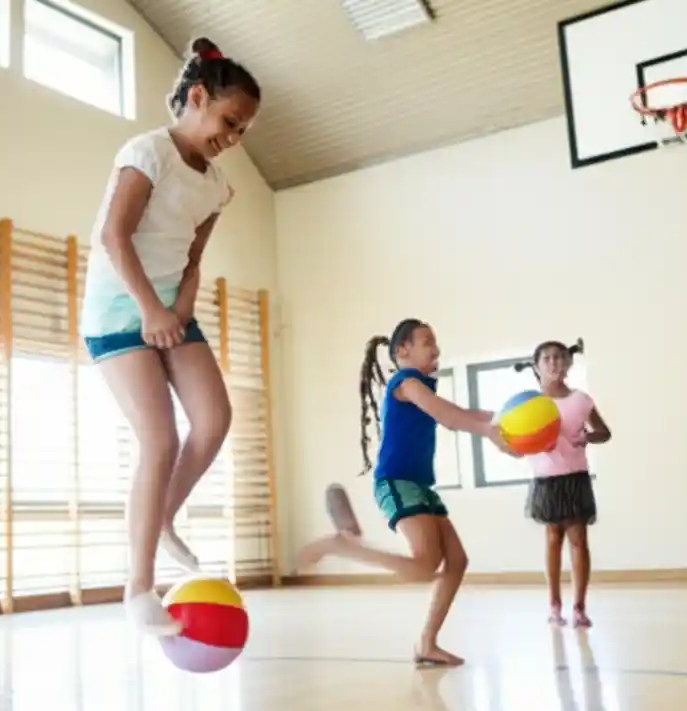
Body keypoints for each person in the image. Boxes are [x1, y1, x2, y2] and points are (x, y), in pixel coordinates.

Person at [79, 38, 260, 635]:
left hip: (167, 306)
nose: (232, 138)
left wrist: (178, 308)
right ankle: (138, 586)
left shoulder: (218, 188)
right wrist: (151, 310)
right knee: (160, 438)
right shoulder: (146, 151)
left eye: (243, 131)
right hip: (118, 309)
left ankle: (161, 517)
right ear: (198, 98)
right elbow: (114, 236)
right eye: (229, 122)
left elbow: (192, 260)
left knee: (213, 420)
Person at [297, 319, 515, 666]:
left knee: (456, 561)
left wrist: (505, 416)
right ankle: (344, 546)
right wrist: (487, 430)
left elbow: (458, 414)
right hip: (396, 482)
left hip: (418, 485)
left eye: (435, 342)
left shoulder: (420, 387)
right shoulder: (406, 383)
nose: (436, 349)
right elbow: (449, 416)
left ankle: (427, 643)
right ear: (402, 351)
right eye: (427, 341)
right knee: (425, 566)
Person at [515, 340, 611, 628]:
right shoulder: (530, 403)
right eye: (547, 358)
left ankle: (579, 607)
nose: (554, 363)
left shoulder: (580, 400)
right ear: (537, 366)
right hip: (545, 479)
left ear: (568, 363)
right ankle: (554, 605)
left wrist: (587, 438)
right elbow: (513, 436)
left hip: (575, 477)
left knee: (579, 541)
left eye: (559, 357)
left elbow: (604, 432)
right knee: (553, 540)